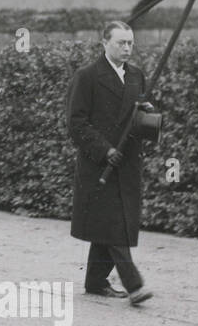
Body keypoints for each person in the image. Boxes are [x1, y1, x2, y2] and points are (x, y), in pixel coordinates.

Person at [66, 20, 154, 306]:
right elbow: (76, 122)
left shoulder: (137, 76)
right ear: (104, 43)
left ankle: (95, 281)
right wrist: (104, 150)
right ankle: (134, 284)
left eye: (130, 42)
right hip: (99, 166)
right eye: (121, 43)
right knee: (114, 224)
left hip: (126, 165)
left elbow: (140, 121)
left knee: (111, 222)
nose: (127, 48)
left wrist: (149, 116)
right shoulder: (88, 76)